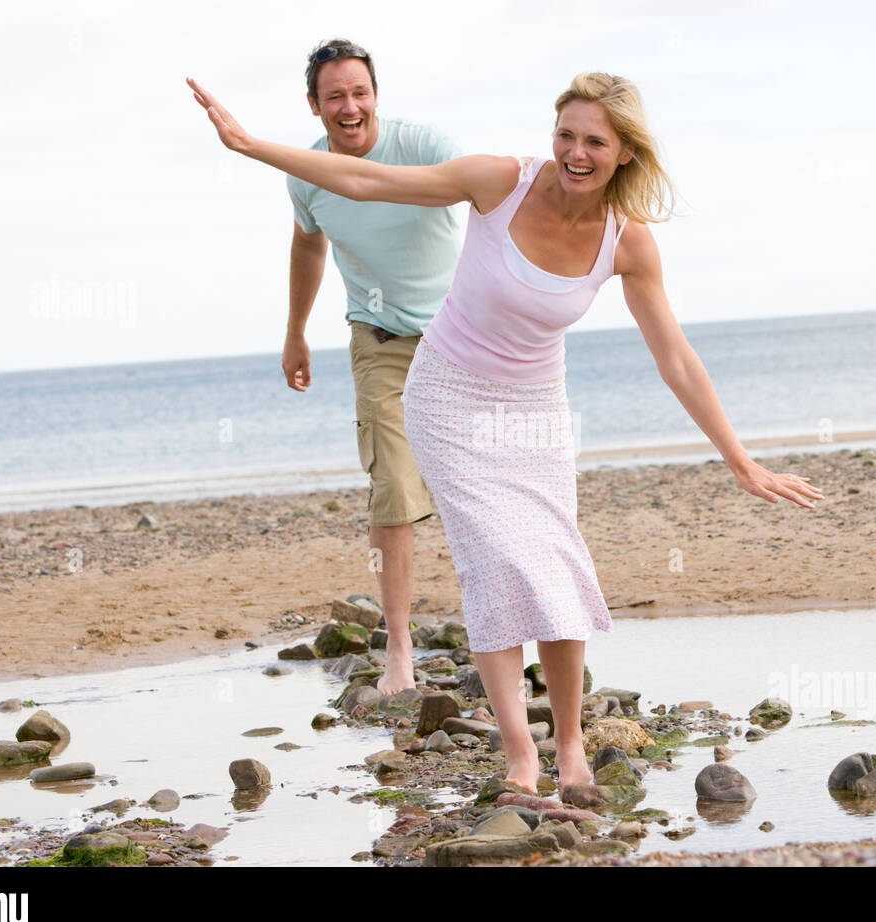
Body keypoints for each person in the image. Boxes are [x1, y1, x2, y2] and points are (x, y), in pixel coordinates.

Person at [187, 70, 824, 796]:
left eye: (594, 142)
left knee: (555, 566)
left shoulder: (628, 242)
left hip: (536, 413)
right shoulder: (500, 182)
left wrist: (740, 461)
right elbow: (365, 183)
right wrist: (248, 144)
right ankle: (522, 752)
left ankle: (573, 747)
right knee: (494, 563)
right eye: (565, 135)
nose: (575, 153)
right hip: (449, 397)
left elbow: (675, 358)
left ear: (623, 154)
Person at [279, 39, 462, 696]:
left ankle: (513, 623)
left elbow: (493, 203)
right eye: (335, 96)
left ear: (375, 95)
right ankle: (400, 652)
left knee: (483, 486)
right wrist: (296, 330)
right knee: (392, 491)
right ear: (315, 105)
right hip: (378, 340)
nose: (349, 107)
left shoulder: (425, 146)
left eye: (359, 92)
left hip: (459, 340)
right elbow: (308, 243)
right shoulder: (305, 172)